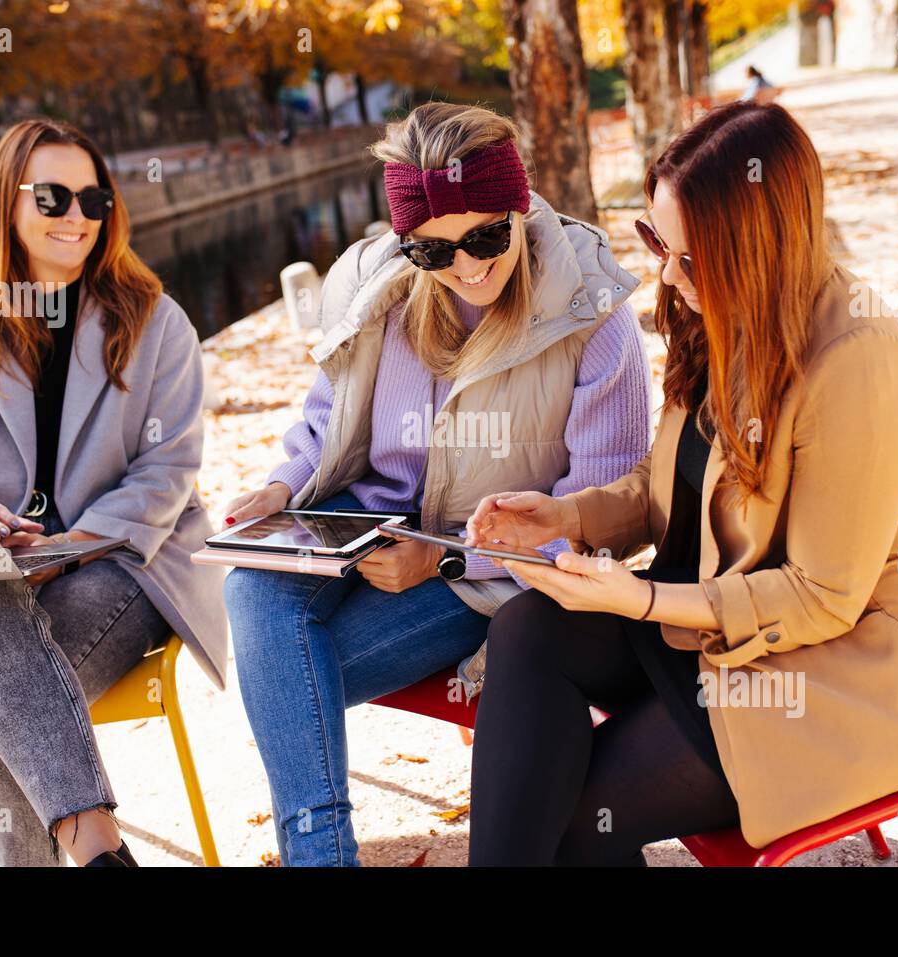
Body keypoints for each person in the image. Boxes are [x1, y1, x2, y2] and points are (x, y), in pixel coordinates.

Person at [464, 101, 898, 865]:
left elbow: (822, 596)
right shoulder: (724, 309)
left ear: (759, 244)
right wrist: (561, 513)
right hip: (719, 623)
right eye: (656, 243)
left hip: (837, 674)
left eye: (689, 257)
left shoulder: (856, 359)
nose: (667, 275)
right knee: (527, 629)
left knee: (577, 813)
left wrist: (635, 596)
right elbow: (663, 481)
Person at [220, 101, 652, 866]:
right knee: (252, 590)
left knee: (288, 677)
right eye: (434, 251)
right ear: (405, 244)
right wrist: (283, 486)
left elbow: (604, 520)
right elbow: (328, 416)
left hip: (488, 574)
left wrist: (449, 558)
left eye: (487, 235)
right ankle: (324, 856)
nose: (468, 265)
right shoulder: (379, 292)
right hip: (373, 519)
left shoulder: (591, 316)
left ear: (520, 205)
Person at [0, 118, 228, 866]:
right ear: (4, 205)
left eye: (94, 197)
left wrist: (64, 550)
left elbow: (166, 472)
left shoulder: (155, 321)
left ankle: (91, 849)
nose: (77, 215)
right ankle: (100, 848)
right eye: (52, 196)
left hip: (115, 566)